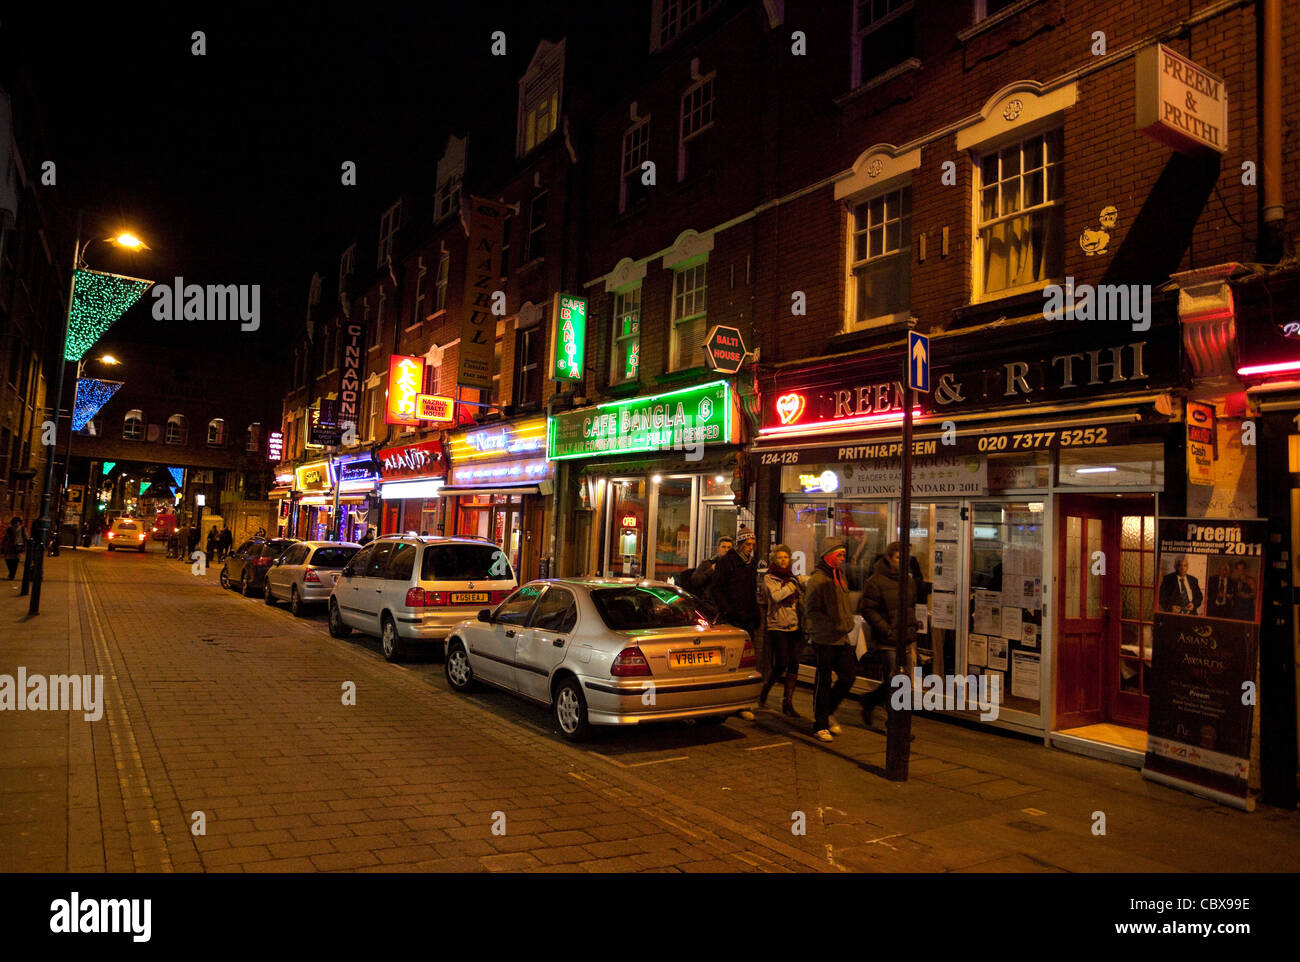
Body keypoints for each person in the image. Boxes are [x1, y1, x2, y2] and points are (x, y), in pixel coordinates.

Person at [858, 541, 922, 726]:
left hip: (906, 639)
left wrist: (912, 626)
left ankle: (869, 700)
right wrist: (886, 629)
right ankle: (895, 725)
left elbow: (910, 606)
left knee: (904, 681)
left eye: (905, 557)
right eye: (898, 557)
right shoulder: (875, 581)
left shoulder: (908, 580)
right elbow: (868, 609)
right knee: (896, 682)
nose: (902, 561)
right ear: (888, 558)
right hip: (888, 640)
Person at [803, 539, 857, 742]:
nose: (842, 559)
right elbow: (812, 610)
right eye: (839, 555)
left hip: (841, 637)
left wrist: (846, 622)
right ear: (829, 556)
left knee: (848, 676)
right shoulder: (818, 580)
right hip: (825, 638)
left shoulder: (839, 576)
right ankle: (820, 724)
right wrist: (828, 627)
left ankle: (828, 711)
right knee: (823, 680)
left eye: (843, 555)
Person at [710, 529, 761, 720]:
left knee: (746, 663)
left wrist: (755, 613)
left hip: (747, 616)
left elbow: (751, 591)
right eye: (748, 544)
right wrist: (728, 611)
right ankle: (728, 700)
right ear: (741, 544)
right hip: (733, 618)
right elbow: (717, 589)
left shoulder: (750, 564)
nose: (751, 548)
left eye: (753, 545)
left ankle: (743, 702)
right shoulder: (728, 562)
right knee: (733, 662)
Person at [760, 544, 803, 717]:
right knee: (781, 663)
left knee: (794, 664)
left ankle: (788, 702)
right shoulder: (770, 578)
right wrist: (792, 586)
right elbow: (776, 596)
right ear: (774, 560)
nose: (783, 560)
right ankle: (765, 691)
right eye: (780, 557)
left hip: (793, 624)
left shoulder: (792, 577)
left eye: (785, 557)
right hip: (777, 625)